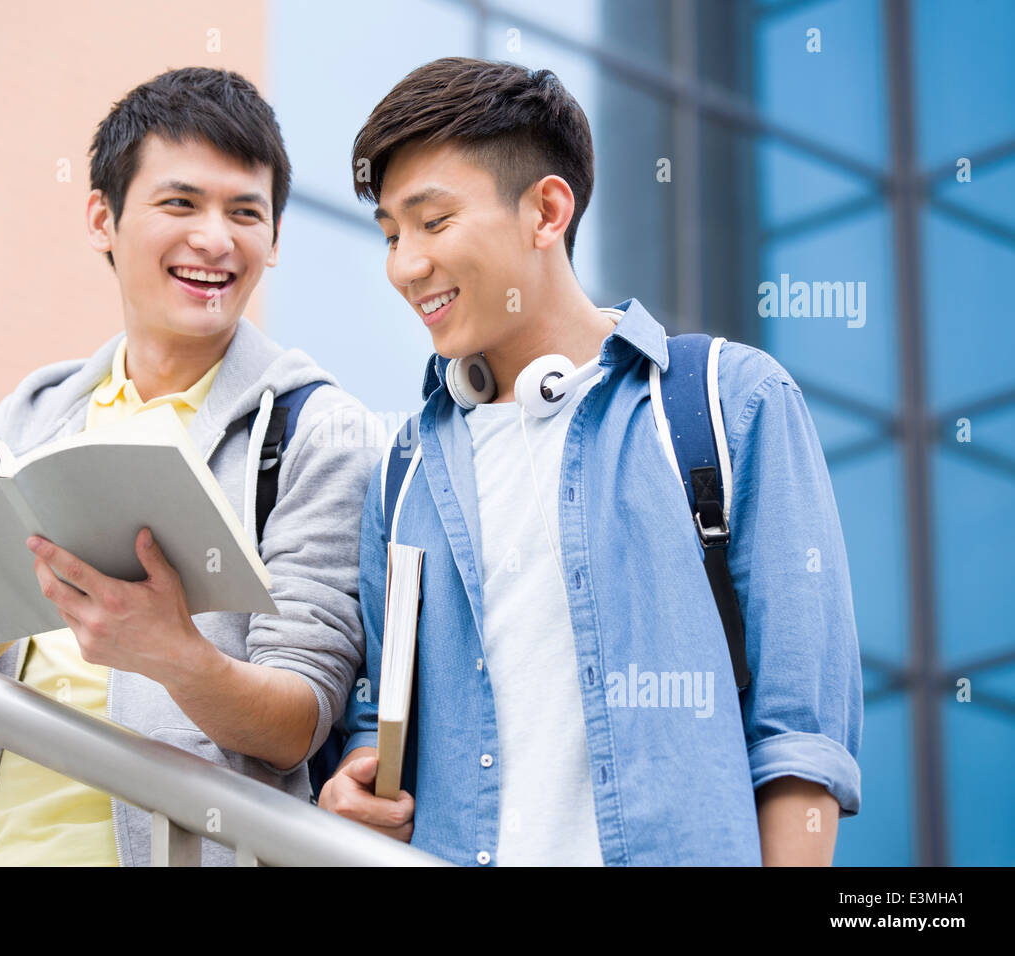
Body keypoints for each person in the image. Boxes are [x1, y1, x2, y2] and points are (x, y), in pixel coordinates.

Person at [319, 57, 863, 866]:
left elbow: (799, 740)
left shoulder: (726, 403)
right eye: (391, 234)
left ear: (547, 211)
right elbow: (380, 721)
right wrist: (356, 778)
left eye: (433, 223)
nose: (405, 266)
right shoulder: (405, 473)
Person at [0, 67, 380, 866]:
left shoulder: (319, 433)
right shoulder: (32, 413)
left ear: (275, 239)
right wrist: (39, 570)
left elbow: (296, 720)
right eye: (180, 203)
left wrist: (170, 651)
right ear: (103, 219)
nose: (215, 240)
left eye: (245, 212)